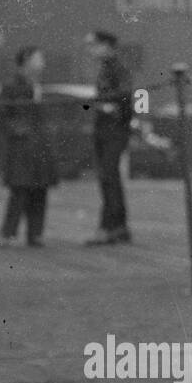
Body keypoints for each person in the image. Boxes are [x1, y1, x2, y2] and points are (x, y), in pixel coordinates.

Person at [0, 46, 57, 246]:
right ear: (27, 60)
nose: (43, 62)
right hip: (22, 147)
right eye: (39, 58)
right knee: (20, 191)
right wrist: (19, 131)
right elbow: (2, 116)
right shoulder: (11, 85)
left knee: (40, 190)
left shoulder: (39, 84)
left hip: (39, 146)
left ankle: (35, 234)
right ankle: (9, 233)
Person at [84, 30, 133, 245]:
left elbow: (124, 95)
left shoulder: (117, 68)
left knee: (108, 178)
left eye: (95, 45)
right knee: (110, 178)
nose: (91, 50)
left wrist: (106, 105)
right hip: (106, 129)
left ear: (107, 45)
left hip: (113, 129)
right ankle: (119, 227)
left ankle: (108, 227)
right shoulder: (107, 68)